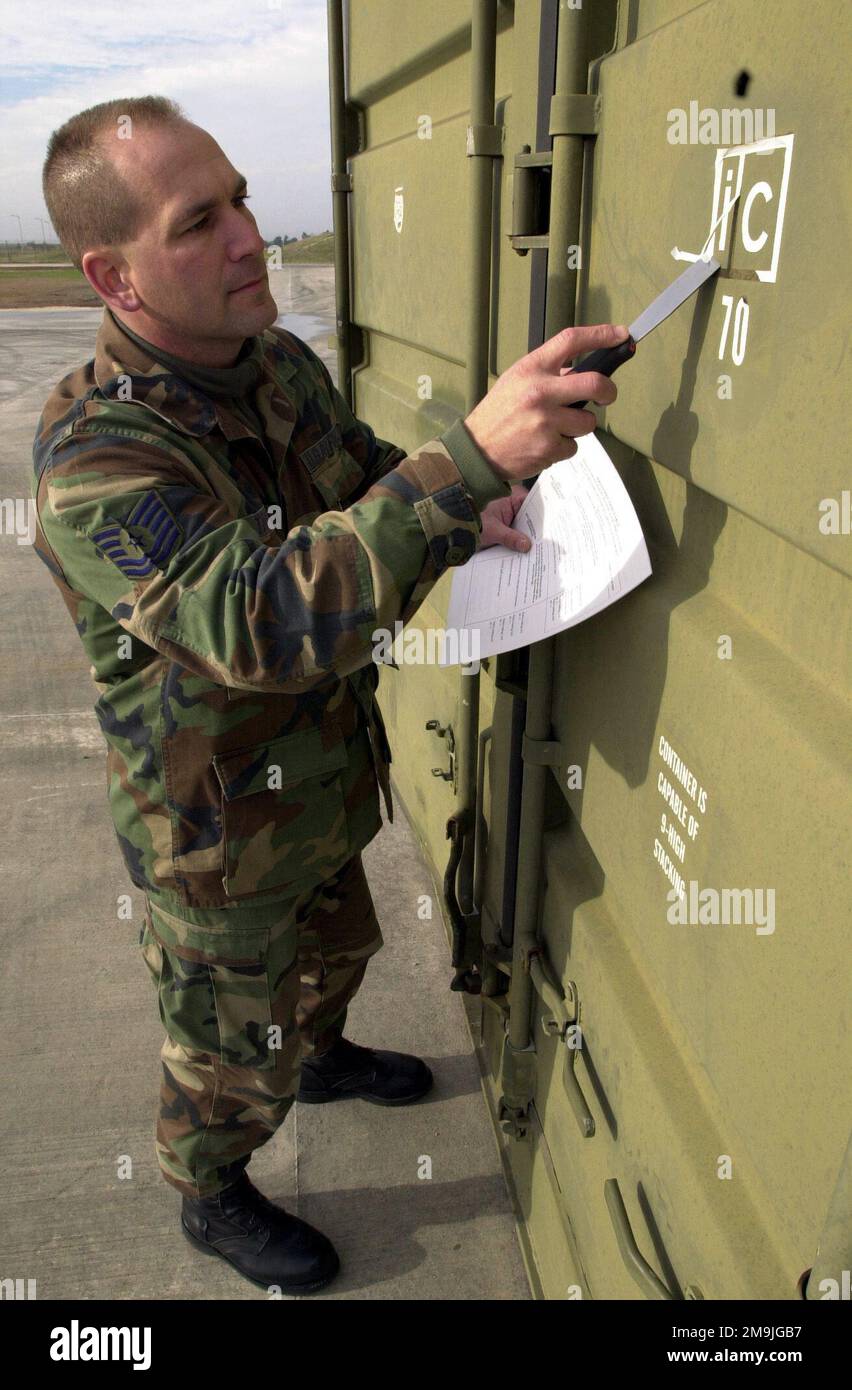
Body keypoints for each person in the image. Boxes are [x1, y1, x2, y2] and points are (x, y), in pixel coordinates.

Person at [31, 95, 625, 1295]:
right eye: (201, 221)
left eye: (243, 197)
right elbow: (258, 618)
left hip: (323, 780)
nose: (251, 236)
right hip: (217, 839)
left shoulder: (275, 363)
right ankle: (211, 1187)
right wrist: (469, 459)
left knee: (340, 948)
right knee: (223, 1041)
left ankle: (321, 1055)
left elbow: (356, 478)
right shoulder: (96, 454)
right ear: (115, 273)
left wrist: (475, 517)